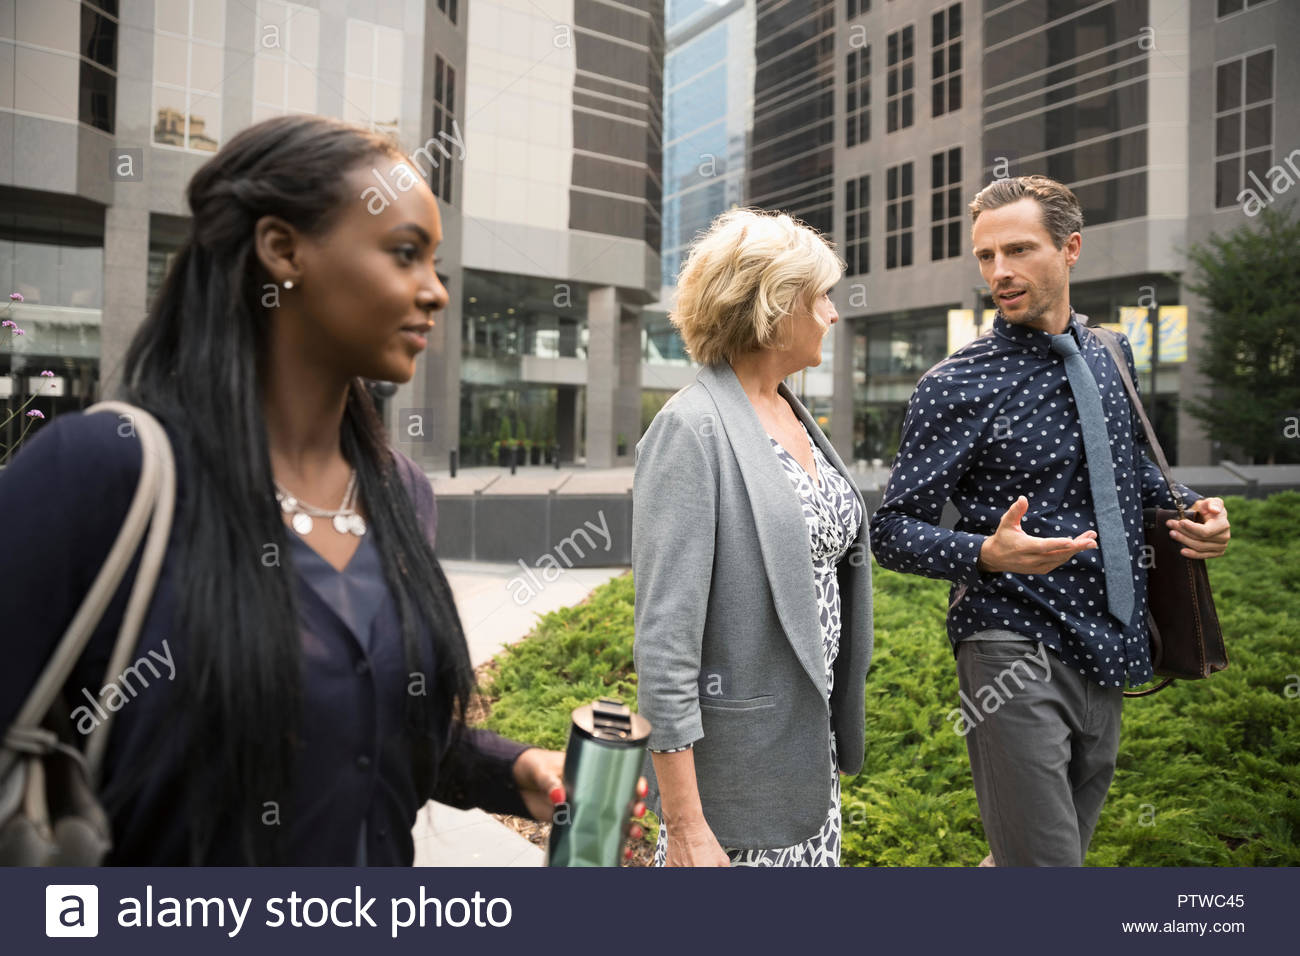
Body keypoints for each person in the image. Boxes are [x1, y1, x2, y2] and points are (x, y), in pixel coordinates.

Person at [0, 115, 645, 864]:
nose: (434, 292)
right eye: (405, 255)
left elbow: (359, 726)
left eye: (435, 263)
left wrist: (514, 771)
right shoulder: (103, 470)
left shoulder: (401, 493)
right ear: (283, 249)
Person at [869, 175, 1231, 867]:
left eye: (1018, 250)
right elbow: (892, 530)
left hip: (1113, 642)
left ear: (1070, 249)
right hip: (1012, 642)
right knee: (1047, 870)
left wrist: (1196, 512)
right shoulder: (954, 384)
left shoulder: (1111, 353)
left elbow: (1134, 471)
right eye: (985, 256)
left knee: (1034, 862)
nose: (999, 272)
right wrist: (987, 553)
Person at [633, 208, 874, 867]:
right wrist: (684, 826)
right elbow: (664, 644)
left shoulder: (789, 407)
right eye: (819, 295)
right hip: (734, 798)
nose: (831, 312)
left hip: (807, 766)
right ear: (774, 303)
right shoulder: (692, 429)